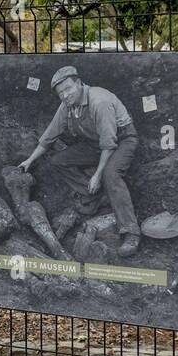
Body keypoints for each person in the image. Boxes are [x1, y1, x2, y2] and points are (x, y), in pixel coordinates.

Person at [18, 65, 143, 258]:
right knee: (58, 160)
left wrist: (97, 176)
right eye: (61, 93)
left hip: (122, 140)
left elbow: (109, 145)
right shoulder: (66, 107)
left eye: (68, 89)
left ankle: (131, 233)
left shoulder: (99, 101)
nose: (65, 95)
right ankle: (95, 196)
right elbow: (48, 138)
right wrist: (29, 160)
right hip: (95, 144)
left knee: (111, 174)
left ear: (79, 83)